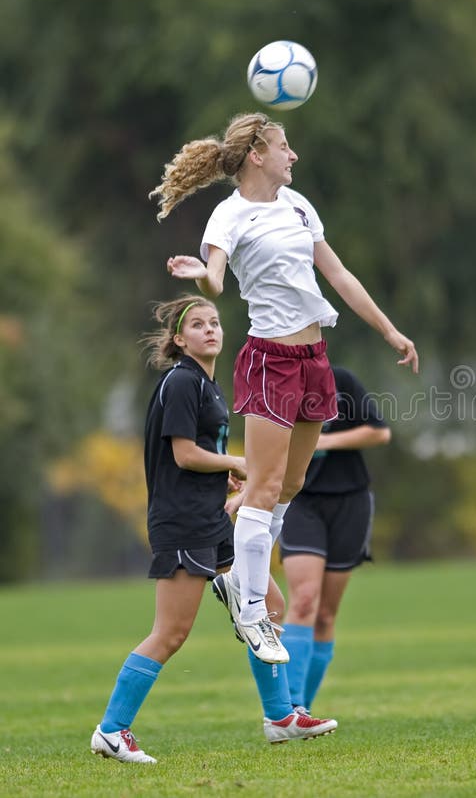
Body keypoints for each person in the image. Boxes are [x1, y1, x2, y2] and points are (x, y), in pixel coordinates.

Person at [149, 112, 418, 670]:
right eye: (283, 147)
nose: (292, 156)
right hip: (270, 360)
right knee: (266, 485)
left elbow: (339, 276)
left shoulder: (300, 207)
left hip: (315, 358)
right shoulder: (230, 213)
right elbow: (217, 281)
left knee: (291, 484)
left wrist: (389, 329)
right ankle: (250, 606)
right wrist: (200, 270)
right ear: (256, 155)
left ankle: (235, 578)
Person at [90, 296, 336, 765]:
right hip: (183, 524)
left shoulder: (208, 384)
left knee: (269, 606)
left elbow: (192, 457)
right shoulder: (182, 381)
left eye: (215, 322)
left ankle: (280, 716)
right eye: (197, 325)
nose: (210, 330)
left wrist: (222, 475)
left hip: (212, 520)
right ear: (180, 339)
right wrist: (240, 462)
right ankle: (112, 729)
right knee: (172, 632)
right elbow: (183, 455)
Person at [279, 365, 391, 711]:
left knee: (326, 614)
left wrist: (324, 440)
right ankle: (290, 707)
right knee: (303, 599)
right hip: (300, 502)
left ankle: (305, 708)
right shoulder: (273, 385)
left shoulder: (340, 381)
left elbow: (379, 432)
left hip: (349, 500)